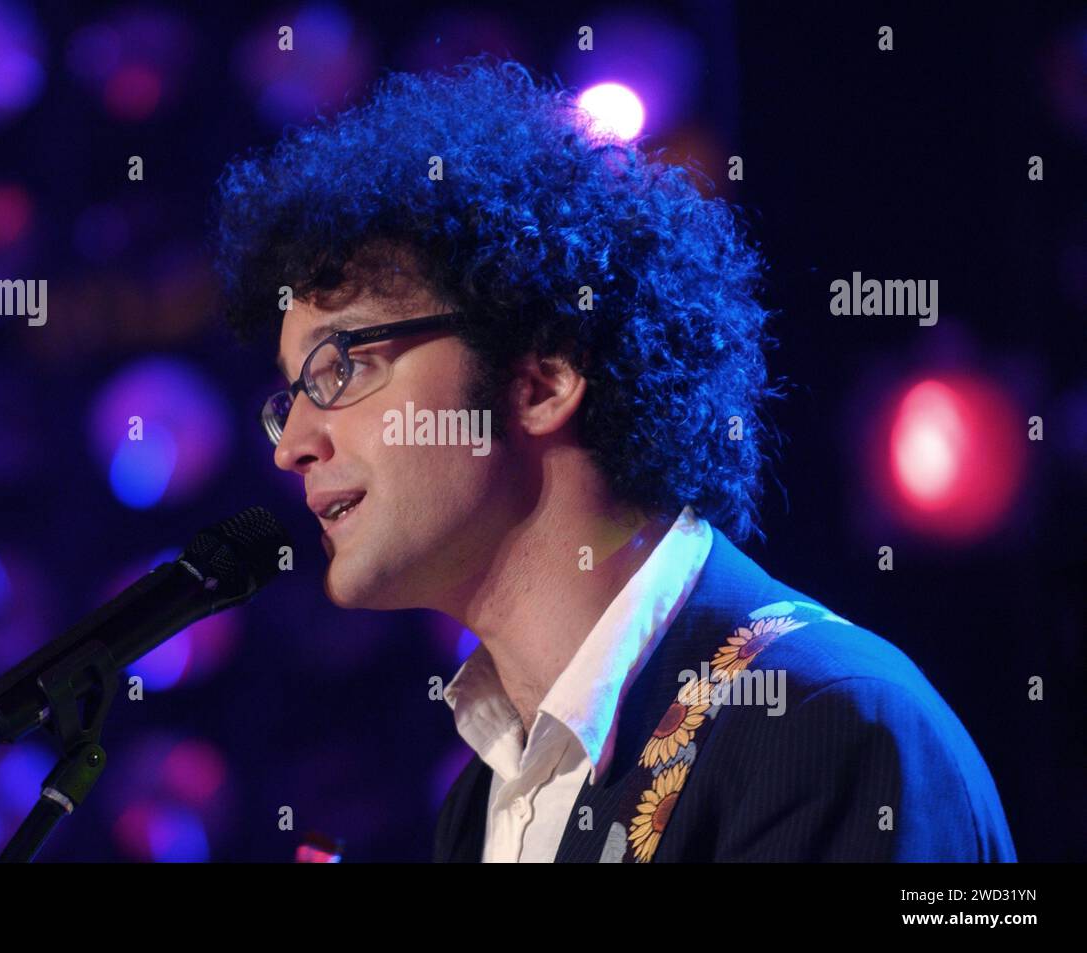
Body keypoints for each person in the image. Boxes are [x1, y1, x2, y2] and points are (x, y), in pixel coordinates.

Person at [210, 56, 1016, 862]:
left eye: (338, 368)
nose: (290, 445)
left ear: (543, 378)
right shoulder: (485, 799)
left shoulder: (827, 725)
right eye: (290, 396)